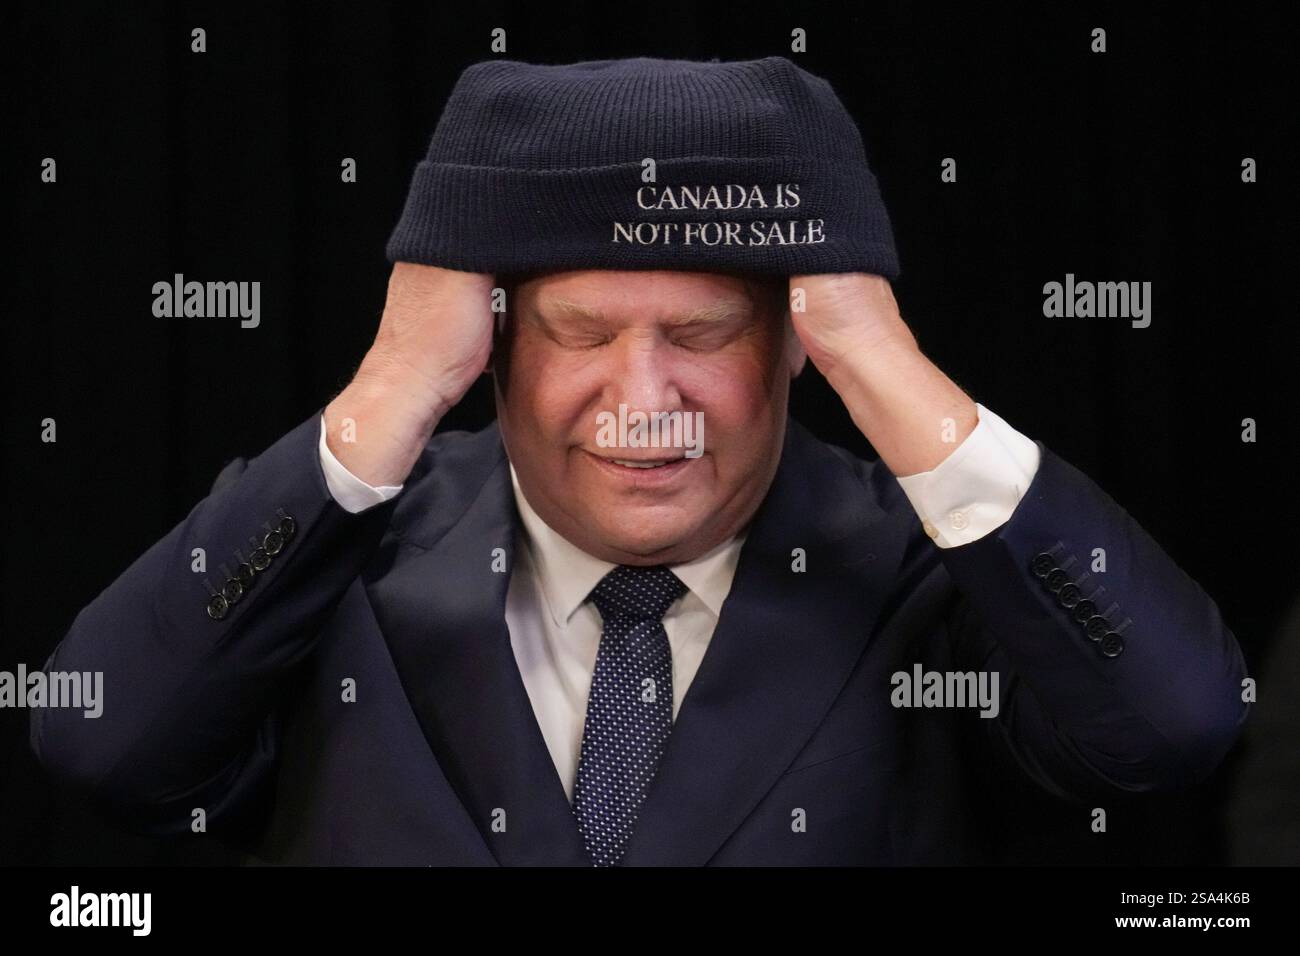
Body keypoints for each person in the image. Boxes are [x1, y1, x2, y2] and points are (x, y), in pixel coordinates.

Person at [31, 56, 1248, 866]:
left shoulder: (925, 571)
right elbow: (100, 743)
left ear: (796, 341)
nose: (644, 398)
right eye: (580, 332)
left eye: (706, 333)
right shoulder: (342, 546)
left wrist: (885, 364)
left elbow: (1177, 725)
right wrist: (393, 386)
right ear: (489, 339)